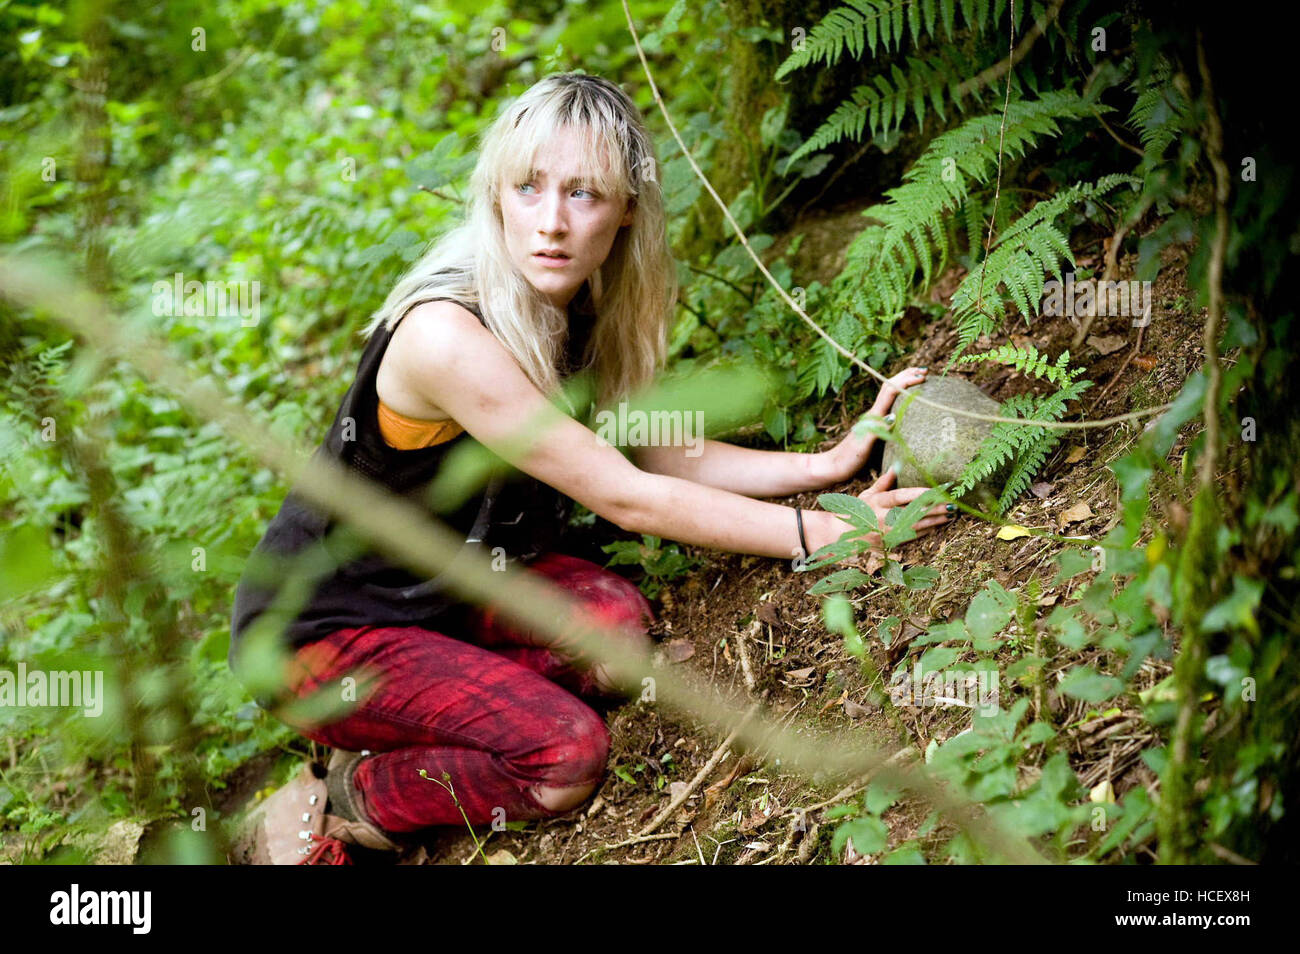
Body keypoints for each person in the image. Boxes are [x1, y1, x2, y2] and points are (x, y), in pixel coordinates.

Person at [228, 72, 952, 864]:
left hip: (441, 589)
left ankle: (424, 707)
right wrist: (828, 535)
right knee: (562, 757)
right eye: (528, 188)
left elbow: (658, 453)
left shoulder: (580, 301)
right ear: (496, 193)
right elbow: (628, 497)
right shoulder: (446, 333)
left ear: (627, 208)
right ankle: (350, 794)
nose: (551, 223)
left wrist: (827, 463)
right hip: (321, 636)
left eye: (584, 194)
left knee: (614, 631)